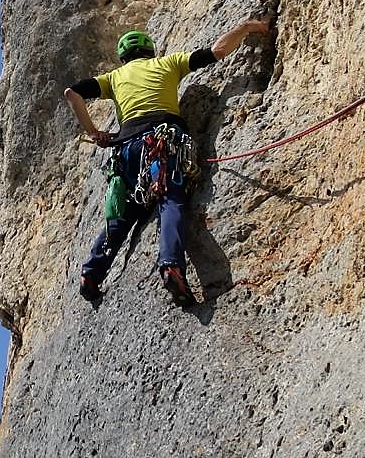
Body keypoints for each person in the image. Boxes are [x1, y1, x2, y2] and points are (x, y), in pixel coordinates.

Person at [64, 19, 270, 304]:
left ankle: (91, 274)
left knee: (124, 213)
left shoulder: (113, 78)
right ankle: (171, 264)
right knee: (170, 199)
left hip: (126, 150)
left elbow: (71, 93)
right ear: (150, 50)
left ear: (123, 57)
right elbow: (217, 51)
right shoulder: (168, 63)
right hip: (162, 143)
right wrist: (245, 27)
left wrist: (94, 132)